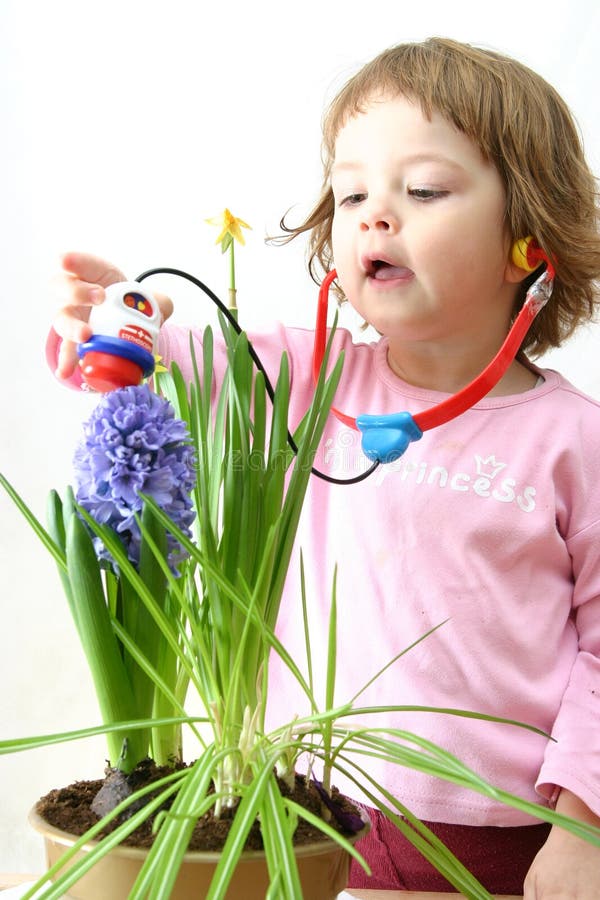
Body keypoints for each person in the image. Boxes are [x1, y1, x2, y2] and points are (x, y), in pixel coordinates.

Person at [47, 37, 600, 897]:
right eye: (351, 193)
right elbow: (157, 361)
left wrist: (584, 831)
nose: (376, 212)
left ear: (529, 240)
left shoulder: (574, 440)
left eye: (422, 189)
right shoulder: (305, 376)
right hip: (303, 820)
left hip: (506, 841)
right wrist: (122, 321)